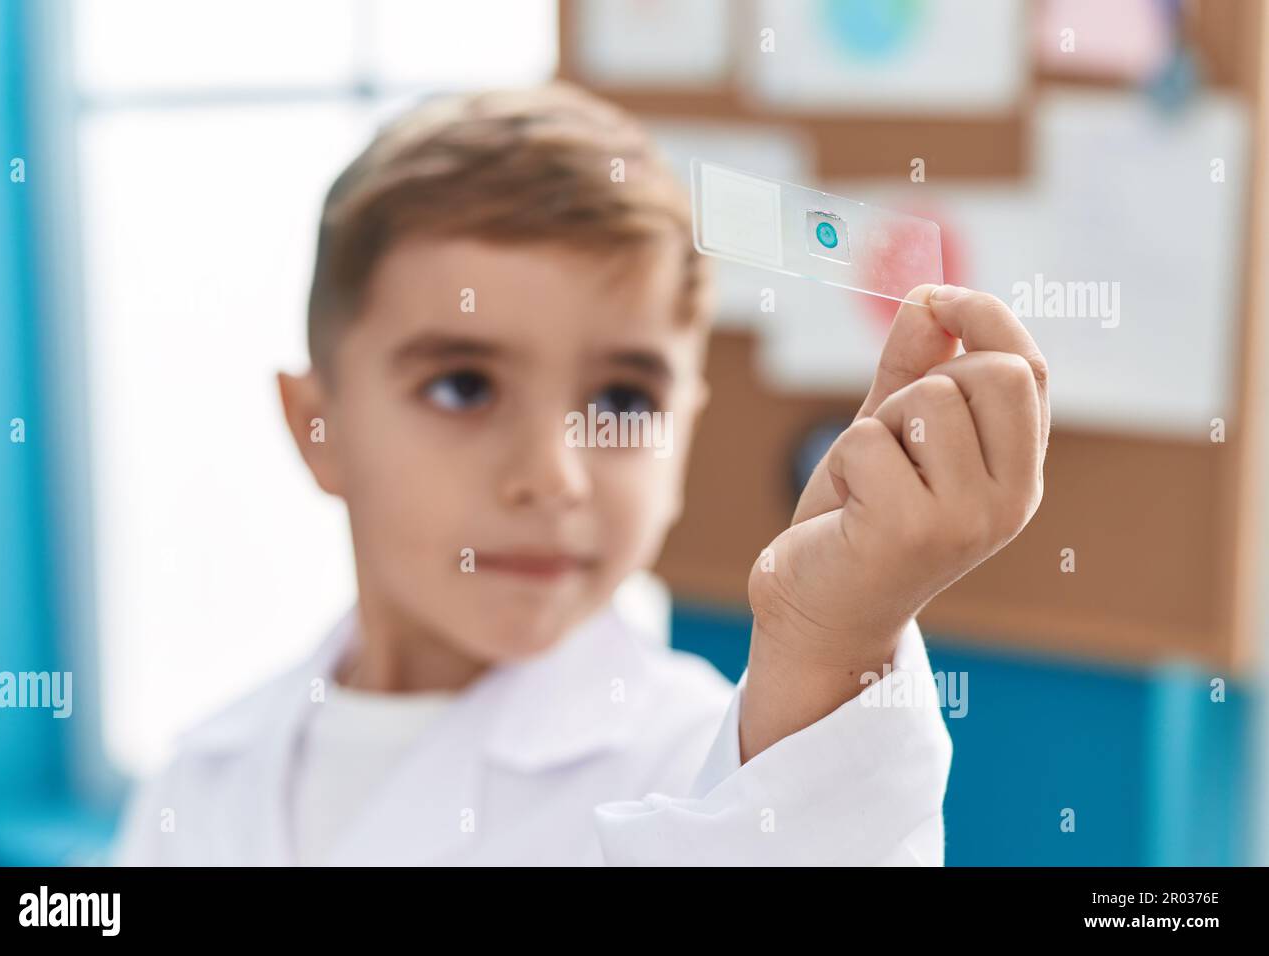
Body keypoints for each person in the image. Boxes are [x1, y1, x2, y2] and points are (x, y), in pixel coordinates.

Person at [115, 83, 1049, 866]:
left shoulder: (714, 763)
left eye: (620, 404)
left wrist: (831, 640)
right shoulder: (199, 779)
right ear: (317, 426)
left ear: (686, 432)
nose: (554, 476)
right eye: (462, 385)